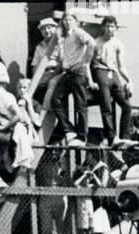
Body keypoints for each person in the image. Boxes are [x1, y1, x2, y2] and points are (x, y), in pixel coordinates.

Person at [50, 12, 96, 144]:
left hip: (78, 73)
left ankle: (82, 136)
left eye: (70, 20)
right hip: (68, 73)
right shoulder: (67, 37)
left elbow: (91, 43)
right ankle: (69, 130)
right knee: (55, 100)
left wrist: (84, 62)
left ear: (75, 21)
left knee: (80, 104)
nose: (67, 22)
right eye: (65, 20)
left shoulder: (78, 32)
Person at [91, 15, 133, 143]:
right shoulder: (96, 42)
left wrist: (129, 81)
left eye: (112, 26)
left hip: (113, 73)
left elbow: (121, 66)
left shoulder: (117, 44)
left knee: (127, 106)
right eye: (107, 26)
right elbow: (88, 62)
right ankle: (112, 137)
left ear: (115, 28)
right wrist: (90, 80)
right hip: (100, 71)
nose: (110, 29)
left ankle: (124, 137)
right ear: (103, 27)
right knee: (106, 106)